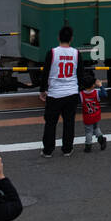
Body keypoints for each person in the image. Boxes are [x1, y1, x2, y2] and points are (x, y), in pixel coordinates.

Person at [39, 26, 80, 158]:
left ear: (58, 37)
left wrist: (43, 90)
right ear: (71, 39)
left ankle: (48, 150)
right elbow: (80, 74)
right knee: (69, 122)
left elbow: (45, 73)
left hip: (54, 93)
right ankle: (67, 149)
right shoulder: (76, 53)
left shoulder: (52, 53)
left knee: (51, 122)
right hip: (71, 92)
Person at [79, 69, 106, 153]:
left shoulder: (81, 95)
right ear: (93, 85)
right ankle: (101, 139)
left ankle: (88, 146)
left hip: (87, 116)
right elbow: (105, 94)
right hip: (96, 115)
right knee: (96, 128)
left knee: (88, 131)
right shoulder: (96, 93)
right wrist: (101, 85)